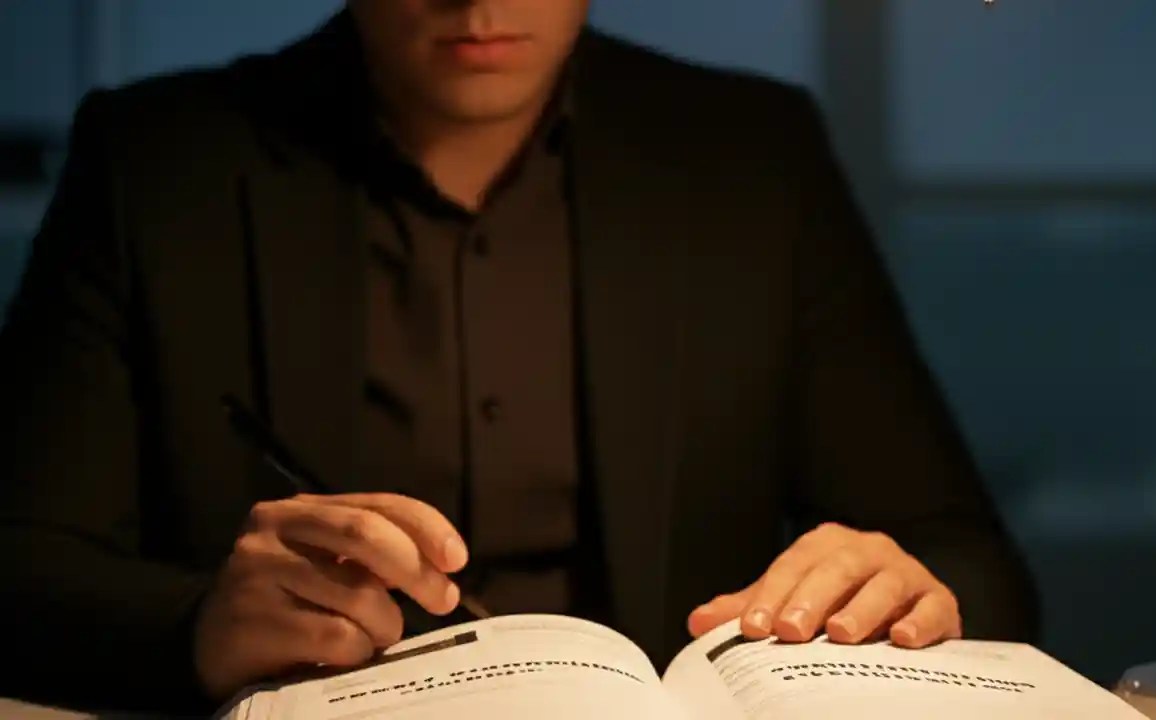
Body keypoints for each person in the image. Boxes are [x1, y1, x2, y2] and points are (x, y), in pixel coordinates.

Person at [0, 0, 1038, 714]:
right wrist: (196, 624)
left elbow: (973, 562)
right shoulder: (158, 162)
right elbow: (19, 566)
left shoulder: (748, 154)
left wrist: (897, 586)